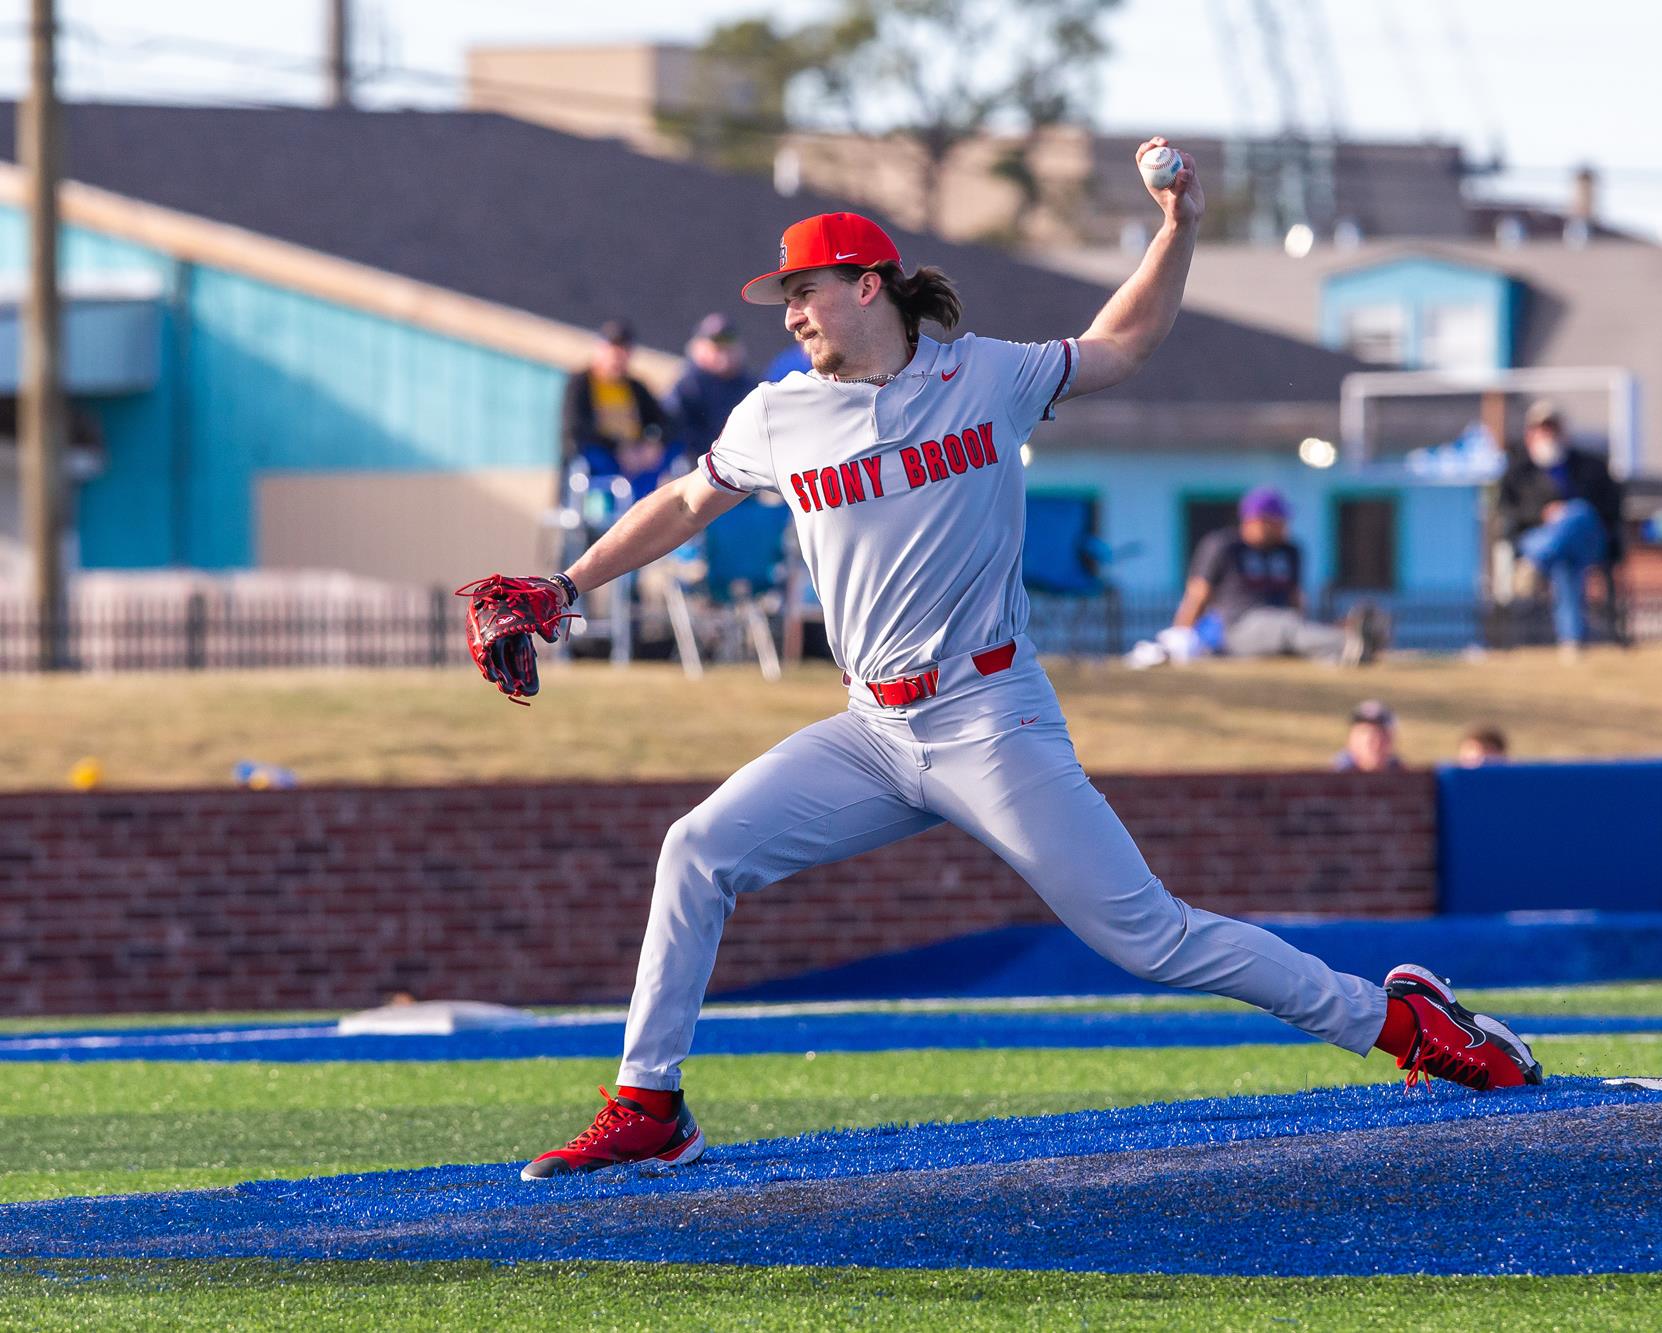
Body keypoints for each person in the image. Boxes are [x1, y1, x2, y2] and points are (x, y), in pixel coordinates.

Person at [458, 138, 1542, 1183]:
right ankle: (650, 1108)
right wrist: (566, 585)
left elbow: (1122, 343)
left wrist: (1178, 228)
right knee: (695, 849)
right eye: (784, 297)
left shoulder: (987, 375)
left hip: (989, 715)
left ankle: (1402, 1023)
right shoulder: (778, 413)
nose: (790, 313)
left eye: (807, 290)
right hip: (871, 730)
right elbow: (685, 502)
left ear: (870, 285)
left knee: (1150, 938)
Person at [1172, 487, 1381, 666]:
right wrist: (1180, 634)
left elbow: (1295, 597)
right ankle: (1349, 643)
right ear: (1258, 520)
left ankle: (1351, 643)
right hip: (1238, 626)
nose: (1285, 525)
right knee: (1284, 629)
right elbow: (1198, 593)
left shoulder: (1289, 551)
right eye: (1279, 520)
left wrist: (1303, 621)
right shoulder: (1223, 546)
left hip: (1281, 621)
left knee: (1290, 628)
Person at [1497, 401, 1624, 653]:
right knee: (1566, 560)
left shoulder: (1591, 466)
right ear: (1530, 434)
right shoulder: (1517, 471)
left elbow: (1612, 508)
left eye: (1552, 428)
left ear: (1563, 431)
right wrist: (1542, 514)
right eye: (1541, 429)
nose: (1548, 435)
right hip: (1536, 536)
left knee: (1577, 512)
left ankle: (1535, 564)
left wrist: (1565, 514)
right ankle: (1571, 640)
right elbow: (1506, 512)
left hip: (1588, 537)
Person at [561, 319, 679, 501]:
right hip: (601, 457)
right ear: (600, 349)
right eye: (613, 349)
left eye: (623, 350)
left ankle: (646, 505)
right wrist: (618, 448)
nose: (617, 356)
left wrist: (654, 443)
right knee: (596, 458)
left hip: (636, 457)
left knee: (671, 451)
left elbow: (665, 421)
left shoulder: (635, 387)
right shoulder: (581, 384)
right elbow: (576, 428)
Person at [668, 313, 761, 457]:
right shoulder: (688, 387)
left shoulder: (751, 386)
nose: (724, 357)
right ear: (698, 348)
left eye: (728, 349)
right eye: (717, 349)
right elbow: (673, 430)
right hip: (699, 462)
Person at [1332, 700, 1404, 773]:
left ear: (1391, 739)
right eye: (1363, 732)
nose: (1369, 740)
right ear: (1350, 739)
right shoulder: (1334, 776)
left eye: (1379, 734)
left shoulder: (1403, 776)